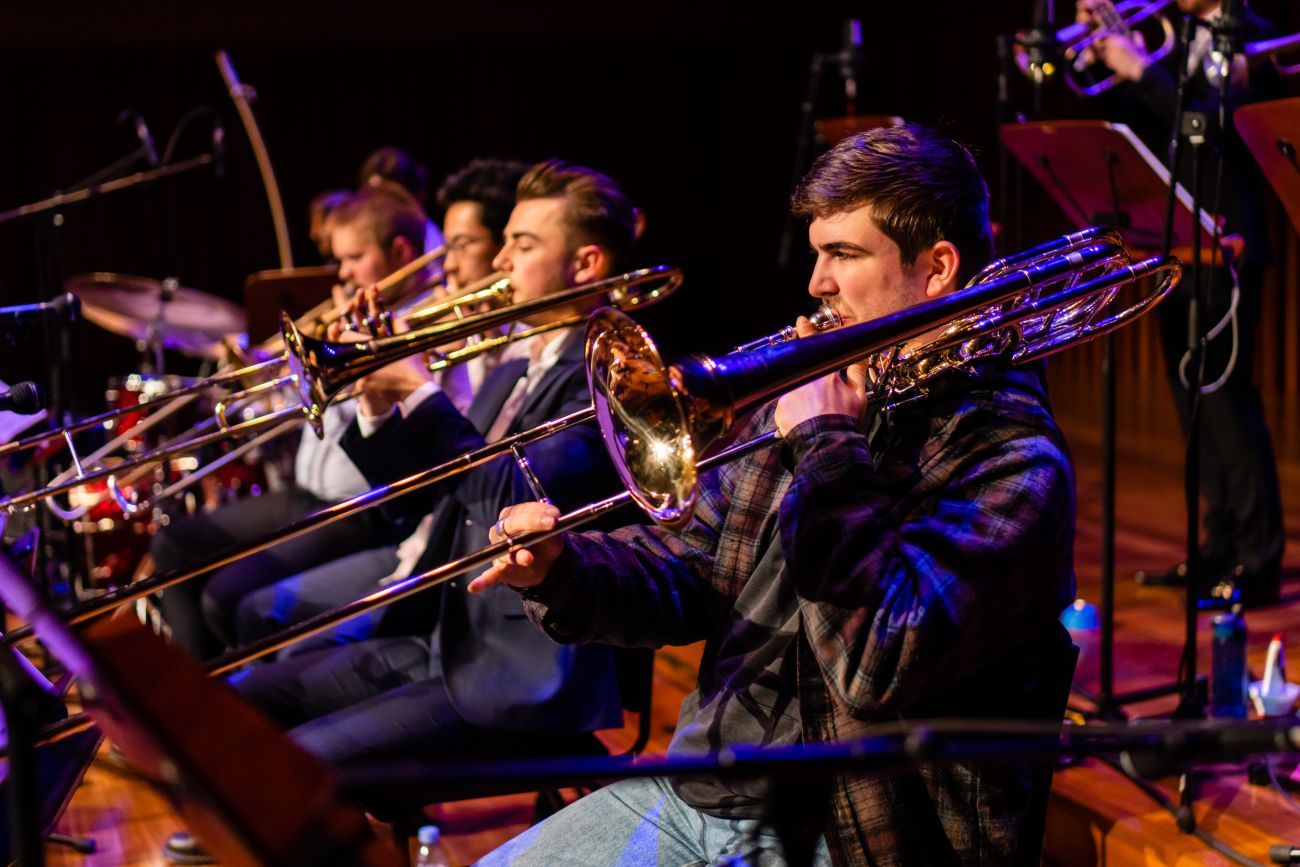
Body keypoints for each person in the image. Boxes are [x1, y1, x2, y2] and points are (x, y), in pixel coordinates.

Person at [472, 125, 1077, 866]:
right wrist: (562, 567)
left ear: (938, 267)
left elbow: (876, 663)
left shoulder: (1012, 460)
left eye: (845, 255)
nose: (816, 282)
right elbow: (685, 571)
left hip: (850, 831)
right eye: (818, 252)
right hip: (695, 785)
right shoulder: (807, 396)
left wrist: (826, 442)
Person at [228, 159, 638, 771]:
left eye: (522, 245)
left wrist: (420, 393)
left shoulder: (612, 380)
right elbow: (413, 505)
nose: (500, 262)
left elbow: (510, 495)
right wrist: (374, 400)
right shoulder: (509, 370)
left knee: (301, 766)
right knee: (245, 699)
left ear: (585, 265)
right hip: (443, 632)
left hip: (519, 669)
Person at [230, 158, 530, 653]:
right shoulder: (469, 336)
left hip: (461, 565)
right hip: (414, 536)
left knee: (280, 641)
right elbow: (406, 494)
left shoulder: (518, 354)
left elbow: (465, 477)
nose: (447, 265)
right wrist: (372, 392)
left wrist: (411, 384)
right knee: (258, 623)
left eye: (463, 246)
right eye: (448, 245)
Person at [151, 182, 430, 660]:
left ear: (401, 251)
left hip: (362, 507)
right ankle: (199, 702)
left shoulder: (419, 323)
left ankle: (244, 707)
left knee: (227, 597)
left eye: (353, 258)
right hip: (307, 491)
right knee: (173, 547)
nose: (340, 274)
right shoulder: (347, 312)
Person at [1078, 0, 1284, 607]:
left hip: (1228, 239)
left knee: (1227, 401)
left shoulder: (1257, 39)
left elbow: (1219, 130)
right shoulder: (1177, 36)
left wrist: (1143, 73)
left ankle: (1258, 559)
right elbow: (1142, 131)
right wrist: (1109, 60)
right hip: (1172, 236)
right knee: (1192, 403)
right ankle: (1216, 550)